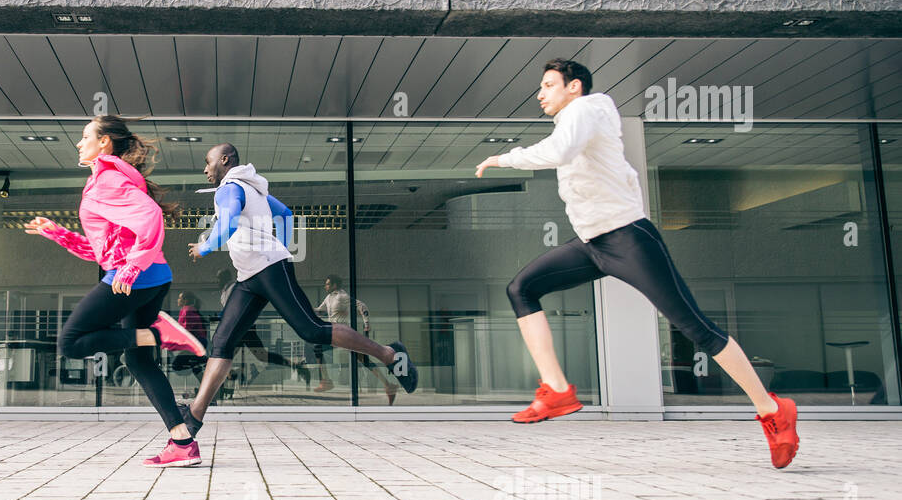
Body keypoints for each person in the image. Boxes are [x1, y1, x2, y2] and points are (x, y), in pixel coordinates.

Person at [475, 59, 800, 469]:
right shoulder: (574, 120)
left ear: (574, 87)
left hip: (629, 238)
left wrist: (505, 159)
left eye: (548, 85)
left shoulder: (588, 108)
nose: (540, 94)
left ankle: (773, 409)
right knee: (521, 288)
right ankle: (556, 389)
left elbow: (560, 152)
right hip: (592, 244)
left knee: (695, 327)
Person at [178, 143, 417, 437]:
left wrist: (205, 247)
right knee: (222, 342)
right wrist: (282, 248)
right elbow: (287, 214)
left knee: (312, 330)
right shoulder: (254, 189)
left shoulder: (229, 188)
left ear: (224, 160)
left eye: (208, 161)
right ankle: (194, 416)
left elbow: (226, 224)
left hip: (267, 269)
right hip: (250, 277)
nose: (205, 169)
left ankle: (390, 354)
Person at [25, 114, 206, 468]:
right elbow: (102, 249)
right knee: (137, 359)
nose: (79, 143)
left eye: (85, 136)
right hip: (150, 276)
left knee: (71, 343)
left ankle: (156, 333)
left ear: (104, 142)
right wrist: (56, 232)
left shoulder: (107, 179)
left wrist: (131, 266)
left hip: (134, 278)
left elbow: (151, 218)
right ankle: (182, 443)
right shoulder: (109, 179)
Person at [313, 274, 399, 404]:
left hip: (343, 334)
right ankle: (388, 385)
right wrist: (306, 309)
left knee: (362, 359)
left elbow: (362, 305)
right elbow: (320, 311)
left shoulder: (342, 296)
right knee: (320, 349)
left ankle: (388, 384)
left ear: (335, 285)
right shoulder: (328, 297)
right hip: (335, 333)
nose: (325, 286)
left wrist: (366, 324)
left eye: (328, 284)